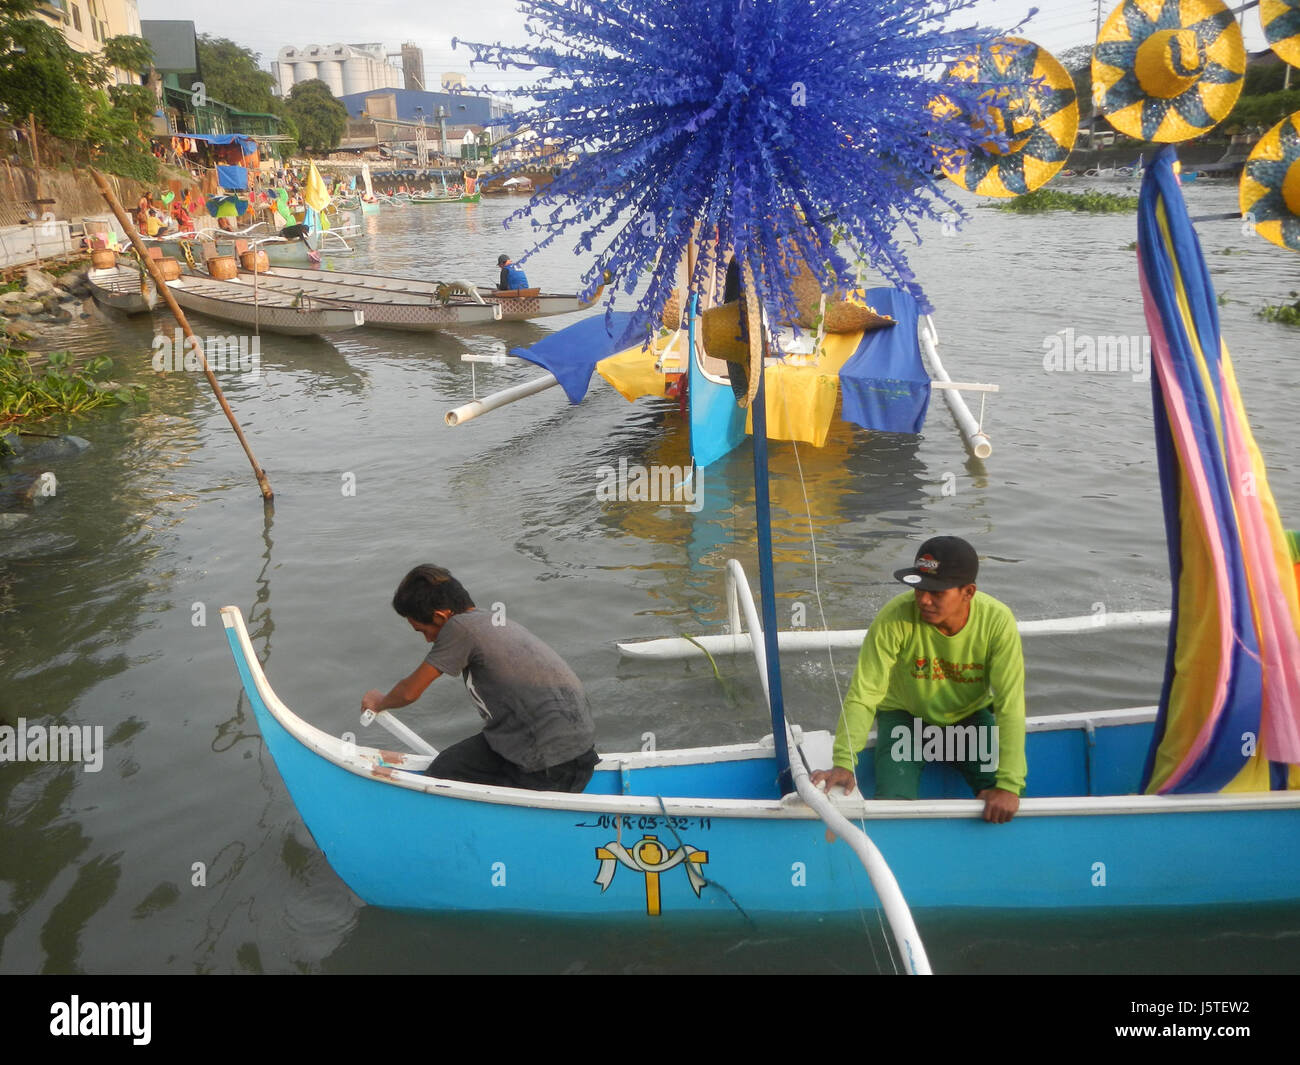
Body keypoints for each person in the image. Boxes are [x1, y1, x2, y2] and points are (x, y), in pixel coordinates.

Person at [810, 536, 1026, 823]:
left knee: (1000, 799)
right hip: (905, 719)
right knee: (892, 809)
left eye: (936, 592)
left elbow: (1010, 703)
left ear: (968, 592)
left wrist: (1009, 785)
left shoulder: (997, 622)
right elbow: (865, 693)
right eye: (919, 588)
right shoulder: (894, 618)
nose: (923, 599)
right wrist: (844, 762)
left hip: (969, 716)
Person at [361, 565, 599, 792]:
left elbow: (409, 692)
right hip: (578, 747)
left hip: (552, 762)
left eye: (423, 630)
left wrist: (379, 701)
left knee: (450, 781)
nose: (427, 640)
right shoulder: (493, 621)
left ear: (440, 617)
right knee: (448, 767)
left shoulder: (458, 629)